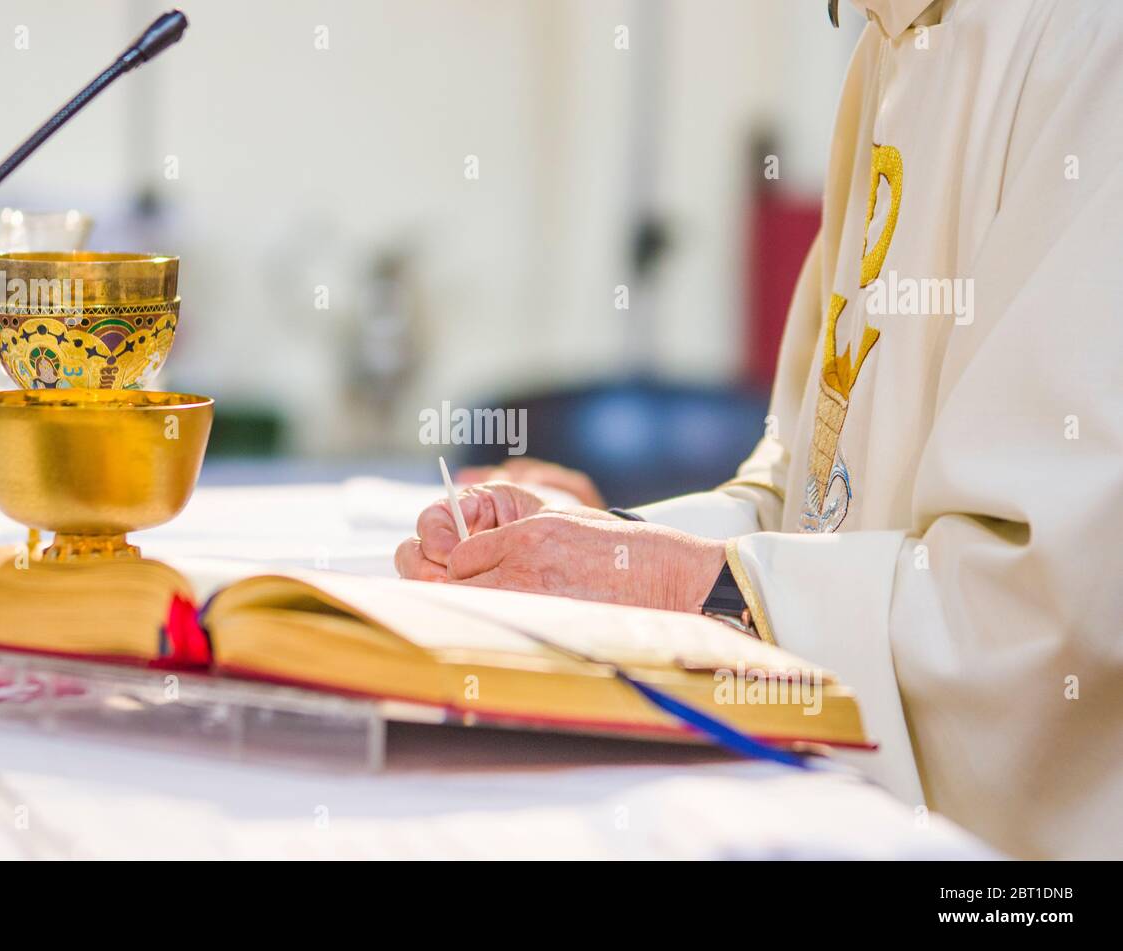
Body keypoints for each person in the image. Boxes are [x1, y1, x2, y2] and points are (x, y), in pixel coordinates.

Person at [396, 0, 1123, 859]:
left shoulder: (1088, 42)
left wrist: (679, 582)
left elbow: (1043, 610)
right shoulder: (890, 45)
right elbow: (808, 503)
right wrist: (606, 547)